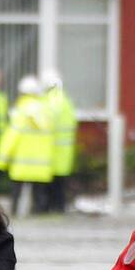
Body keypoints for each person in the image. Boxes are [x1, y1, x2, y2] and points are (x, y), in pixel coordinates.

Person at [0, 75, 54, 215]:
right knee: (39, 194)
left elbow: (11, 137)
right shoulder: (46, 111)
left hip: (21, 163)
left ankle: (14, 212)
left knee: (17, 192)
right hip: (42, 165)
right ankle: (39, 214)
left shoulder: (20, 112)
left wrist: (0, 160)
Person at [40, 69, 77, 213]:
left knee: (50, 185)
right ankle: (60, 208)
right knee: (60, 185)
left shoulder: (49, 101)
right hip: (64, 151)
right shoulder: (66, 101)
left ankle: (49, 209)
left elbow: (45, 125)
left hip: (51, 151)